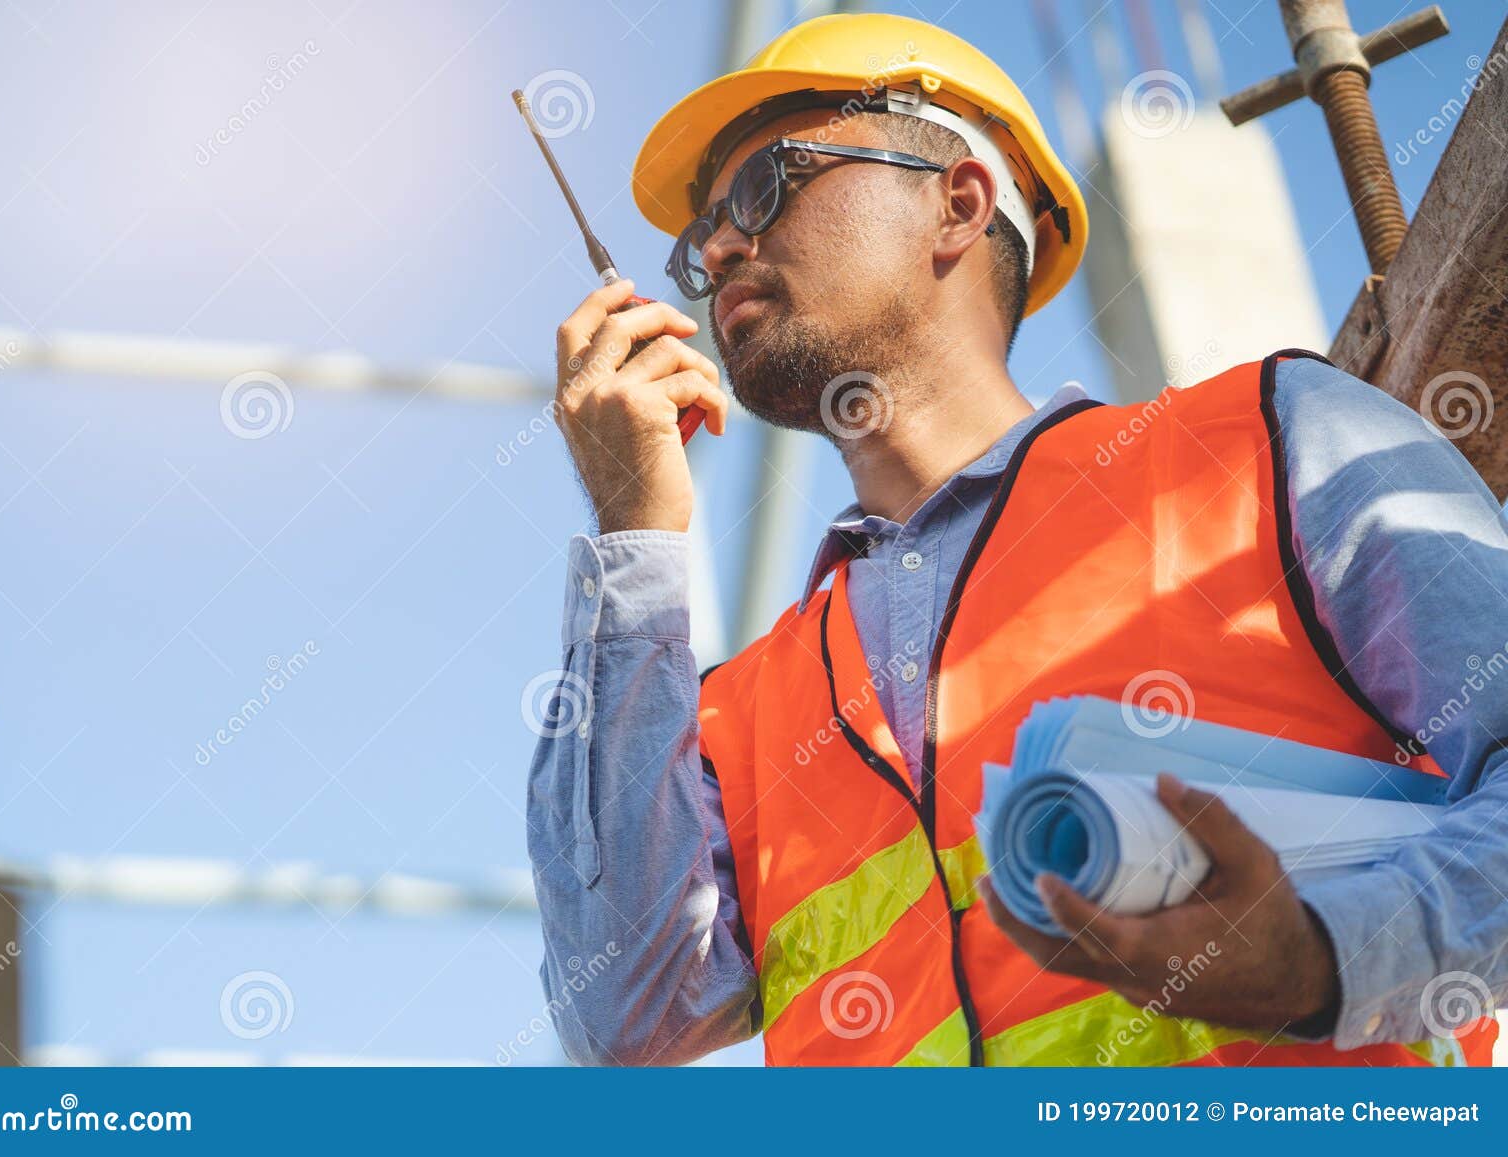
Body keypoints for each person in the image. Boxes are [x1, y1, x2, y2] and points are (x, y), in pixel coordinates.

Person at [526, 12, 1507, 1066]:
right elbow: (626, 1017)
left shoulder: (1267, 443)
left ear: (957, 202)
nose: (719, 248)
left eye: (766, 186)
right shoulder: (744, 707)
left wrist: (1326, 956)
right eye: (698, 241)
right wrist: (634, 531)